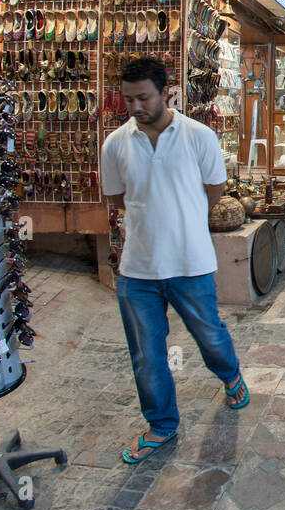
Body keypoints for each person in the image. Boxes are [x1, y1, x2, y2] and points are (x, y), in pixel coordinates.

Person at [101, 57, 247, 464]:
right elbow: (117, 199)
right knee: (147, 354)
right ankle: (162, 425)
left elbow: (214, 188)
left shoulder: (198, 136)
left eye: (143, 97)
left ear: (165, 92)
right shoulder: (115, 144)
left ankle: (230, 374)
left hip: (191, 262)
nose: (135, 106)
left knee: (210, 335)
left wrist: (182, 218)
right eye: (128, 99)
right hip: (138, 268)